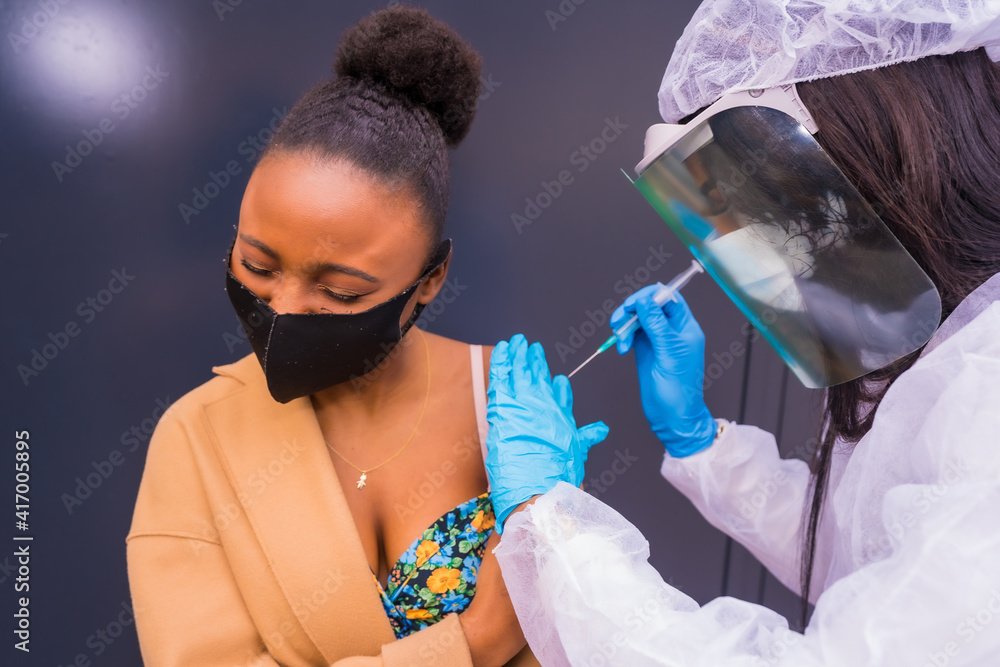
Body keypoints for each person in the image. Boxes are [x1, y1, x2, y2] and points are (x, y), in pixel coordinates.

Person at [483, 1, 1000, 664]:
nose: (762, 244)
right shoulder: (959, 344)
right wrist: (704, 444)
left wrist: (549, 526)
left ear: (874, 142)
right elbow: (872, 559)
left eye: (763, 201)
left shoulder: (987, 400)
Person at [126, 7, 537, 667]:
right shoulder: (196, 442)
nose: (283, 306)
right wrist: (474, 643)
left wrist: (557, 523)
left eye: (341, 292)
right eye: (256, 265)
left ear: (430, 280)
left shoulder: (513, 410)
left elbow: (590, 630)